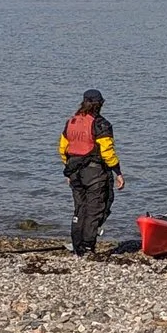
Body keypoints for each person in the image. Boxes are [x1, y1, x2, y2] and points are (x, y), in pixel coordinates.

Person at [59, 89, 124, 257]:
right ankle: (88, 246)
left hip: (74, 172)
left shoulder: (71, 122)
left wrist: (68, 172)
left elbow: (63, 149)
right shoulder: (101, 124)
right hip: (95, 173)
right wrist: (118, 172)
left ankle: (77, 244)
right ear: (100, 104)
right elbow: (107, 152)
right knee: (96, 208)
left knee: (80, 208)